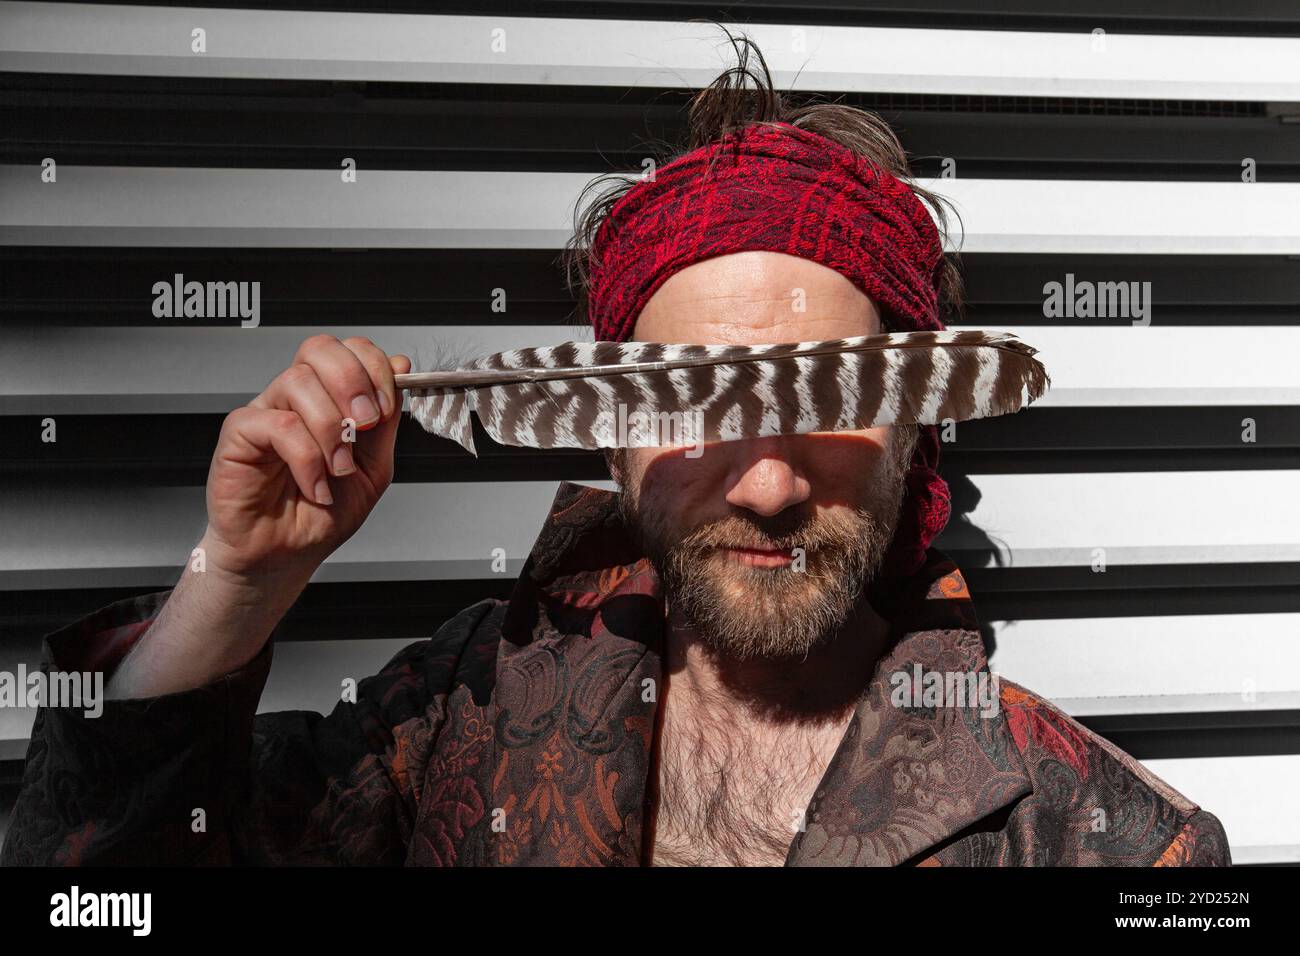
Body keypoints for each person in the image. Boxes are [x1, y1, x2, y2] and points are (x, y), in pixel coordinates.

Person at [1, 40, 1228, 867]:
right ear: (610, 424)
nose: (767, 481)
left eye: (832, 397)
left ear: (918, 421)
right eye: (690, 400)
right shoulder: (456, 710)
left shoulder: (1100, 834)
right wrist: (235, 585)